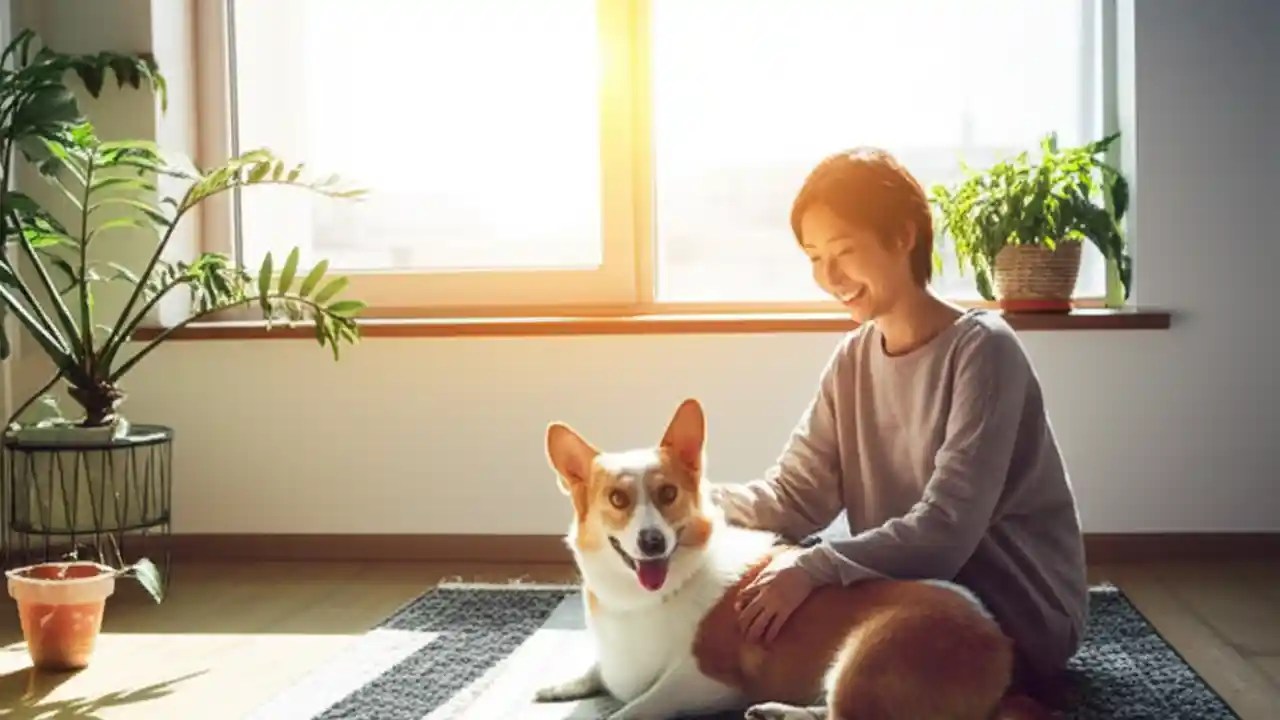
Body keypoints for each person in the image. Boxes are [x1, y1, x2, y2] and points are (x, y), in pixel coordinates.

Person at [713, 147, 1088, 701]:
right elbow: (795, 497)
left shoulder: (984, 350)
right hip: (911, 600)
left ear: (903, 237)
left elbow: (945, 533)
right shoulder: (852, 358)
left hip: (1012, 614)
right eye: (814, 257)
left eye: (843, 251)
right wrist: (684, 503)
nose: (829, 276)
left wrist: (817, 566)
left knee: (806, 578)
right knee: (770, 594)